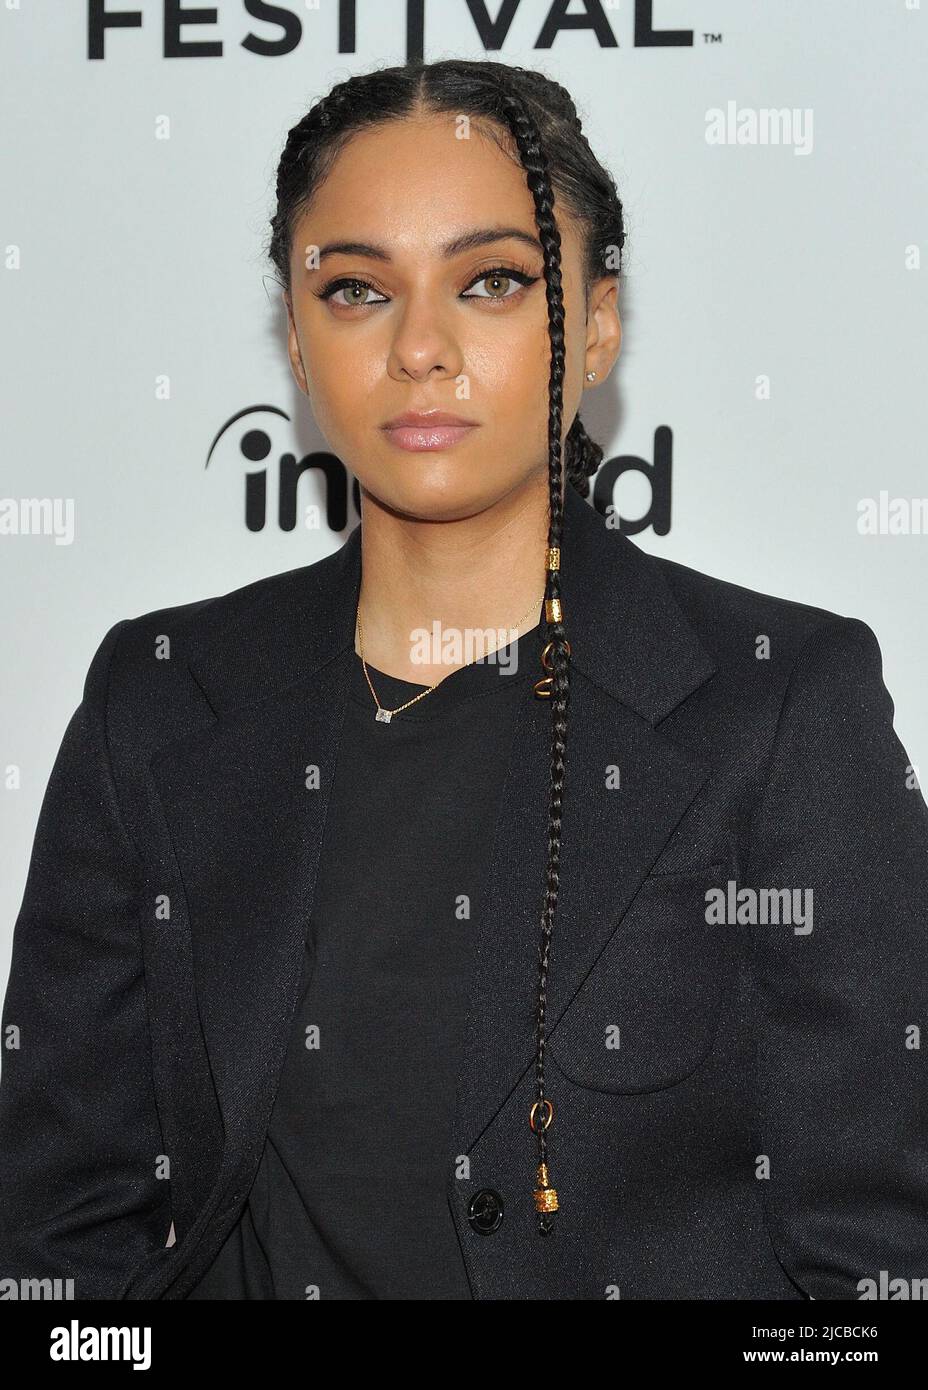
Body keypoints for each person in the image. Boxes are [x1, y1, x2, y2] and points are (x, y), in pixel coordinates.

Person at [1, 59, 926, 1302]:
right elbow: (60, 1235)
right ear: (294, 331)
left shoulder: (779, 706)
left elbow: (875, 1269)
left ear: (596, 323)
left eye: (492, 281)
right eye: (356, 289)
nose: (419, 348)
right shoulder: (159, 696)